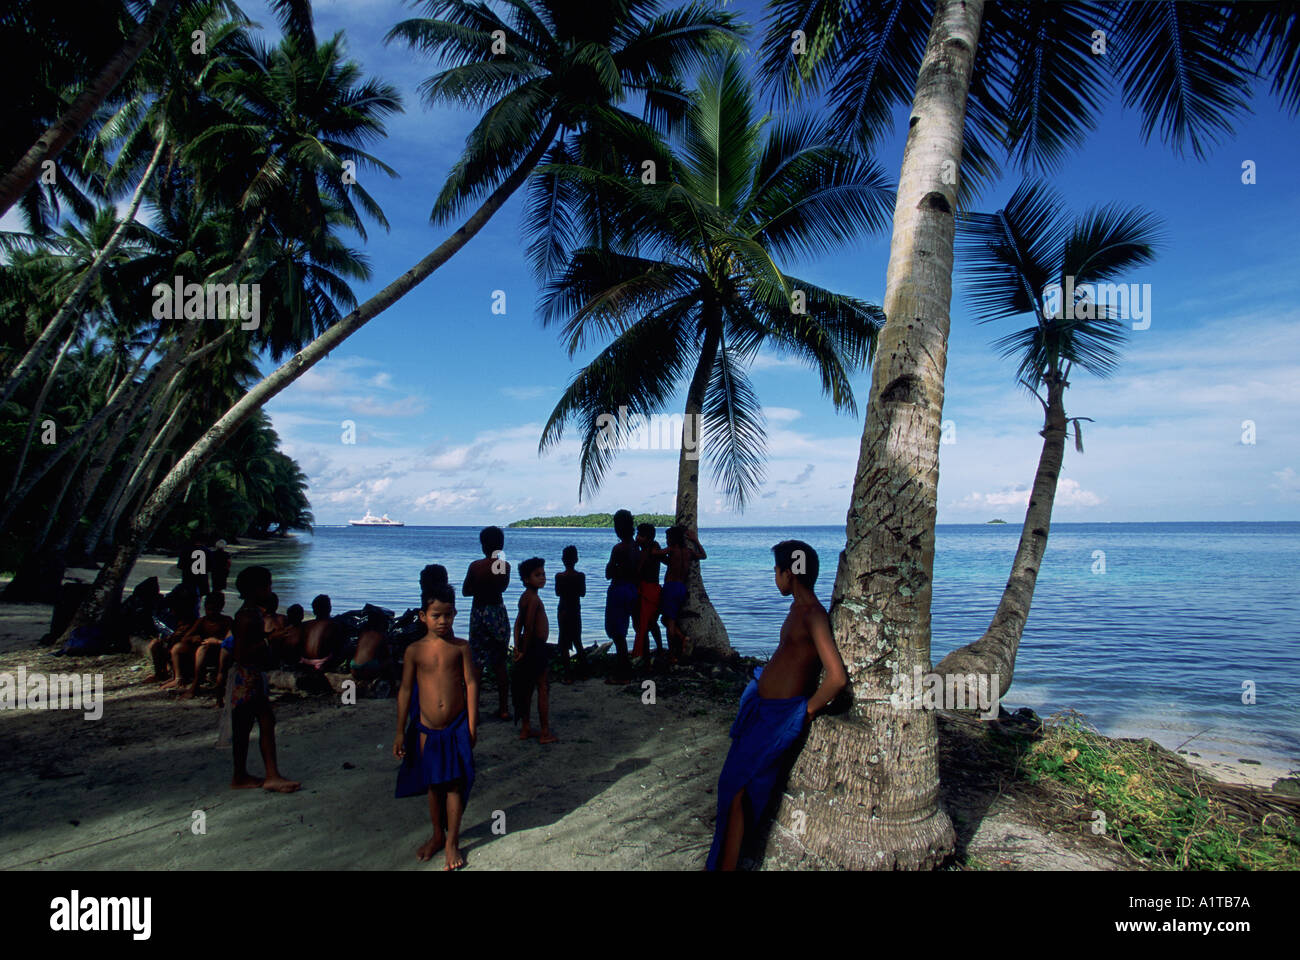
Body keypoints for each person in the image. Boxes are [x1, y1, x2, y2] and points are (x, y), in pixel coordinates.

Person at [706, 541, 847, 871]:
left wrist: (806, 711)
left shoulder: (812, 615)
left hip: (778, 717)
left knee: (739, 787)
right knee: (733, 786)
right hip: (763, 710)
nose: (774, 576)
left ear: (789, 573)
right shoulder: (797, 608)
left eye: (776, 570)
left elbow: (837, 677)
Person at [394, 584, 477, 871]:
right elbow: (405, 690)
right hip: (426, 728)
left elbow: (471, 683)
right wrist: (399, 730)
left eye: (448, 615)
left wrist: (472, 723)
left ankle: (452, 841)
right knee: (433, 785)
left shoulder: (461, 647)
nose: (443, 622)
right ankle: (437, 835)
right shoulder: (414, 651)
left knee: (455, 784)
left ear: (455, 614)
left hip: (455, 727)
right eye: (436, 615)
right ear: (422, 616)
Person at [220, 565, 300, 793]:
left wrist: (267, 637)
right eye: (268, 586)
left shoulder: (249, 613)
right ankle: (272, 775)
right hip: (249, 675)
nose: (270, 589)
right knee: (265, 721)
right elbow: (242, 652)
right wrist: (269, 640)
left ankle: (240, 775)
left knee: (244, 726)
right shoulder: (248, 616)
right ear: (257, 589)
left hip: (245, 676)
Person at [462, 527, 511, 721]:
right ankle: (504, 708)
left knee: (477, 664)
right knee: (500, 663)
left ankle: (472, 710)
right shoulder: (504, 566)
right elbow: (504, 587)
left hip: (479, 613)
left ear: (483, 546)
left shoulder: (475, 566)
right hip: (497, 612)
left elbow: (466, 591)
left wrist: (479, 587)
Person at [512, 558, 556, 743]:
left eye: (543, 574)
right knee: (542, 687)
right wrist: (523, 649)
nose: (542, 578)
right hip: (535, 647)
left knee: (527, 688)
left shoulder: (524, 596)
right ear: (526, 579)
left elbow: (517, 624)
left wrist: (517, 645)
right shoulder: (534, 599)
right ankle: (545, 732)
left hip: (527, 646)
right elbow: (528, 625)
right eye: (537, 575)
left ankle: (526, 728)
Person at [162, 591, 233, 697]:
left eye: (214, 610)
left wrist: (217, 642)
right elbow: (186, 638)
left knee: (202, 650)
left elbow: (231, 641)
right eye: (208, 610)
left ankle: (195, 686)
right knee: (178, 647)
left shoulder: (227, 621)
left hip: (218, 652)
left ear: (221, 607)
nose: (211, 613)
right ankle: (178, 678)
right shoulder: (202, 621)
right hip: (201, 649)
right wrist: (193, 638)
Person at [655, 526, 706, 661]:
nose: (666, 541)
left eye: (667, 538)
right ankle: (682, 639)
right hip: (682, 588)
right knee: (666, 619)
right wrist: (696, 541)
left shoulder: (672, 550)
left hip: (671, 587)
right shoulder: (688, 552)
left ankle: (673, 654)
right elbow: (703, 556)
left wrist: (652, 547)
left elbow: (656, 554)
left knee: (669, 622)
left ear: (673, 539)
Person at [603, 509, 639, 684]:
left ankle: (623, 673)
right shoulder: (635, 546)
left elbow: (608, 573)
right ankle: (627, 669)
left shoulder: (619, 548)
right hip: (632, 589)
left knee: (617, 634)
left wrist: (614, 568)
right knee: (623, 631)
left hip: (619, 590)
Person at [146, 586, 198, 684]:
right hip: (173, 644)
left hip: (185, 651)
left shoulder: (190, 618)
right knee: (155, 643)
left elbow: (186, 636)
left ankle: (178, 677)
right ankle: (161, 674)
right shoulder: (171, 617)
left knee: (176, 648)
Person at [632, 523, 665, 660]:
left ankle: (650, 652)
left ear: (646, 537)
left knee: (647, 623)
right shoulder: (643, 548)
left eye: (639, 535)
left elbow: (640, 569)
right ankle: (655, 650)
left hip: (650, 589)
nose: (636, 537)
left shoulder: (653, 548)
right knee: (647, 623)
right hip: (644, 589)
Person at [553, 545, 587, 681]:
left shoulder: (559, 576)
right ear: (576, 559)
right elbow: (583, 593)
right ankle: (584, 672)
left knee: (563, 643)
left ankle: (568, 675)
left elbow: (557, 593)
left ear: (563, 560)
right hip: (575, 611)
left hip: (563, 611)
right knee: (577, 641)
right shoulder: (580, 576)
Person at [301, 594, 343, 671]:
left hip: (305, 662)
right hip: (322, 664)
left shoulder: (304, 625)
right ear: (329, 608)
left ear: (314, 611)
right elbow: (337, 649)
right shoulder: (333, 625)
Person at [353, 608, 393, 683]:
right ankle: (387, 682)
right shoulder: (380, 636)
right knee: (389, 661)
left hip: (354, 666)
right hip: (367, 668)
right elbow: (386, 654)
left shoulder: (363, 634)